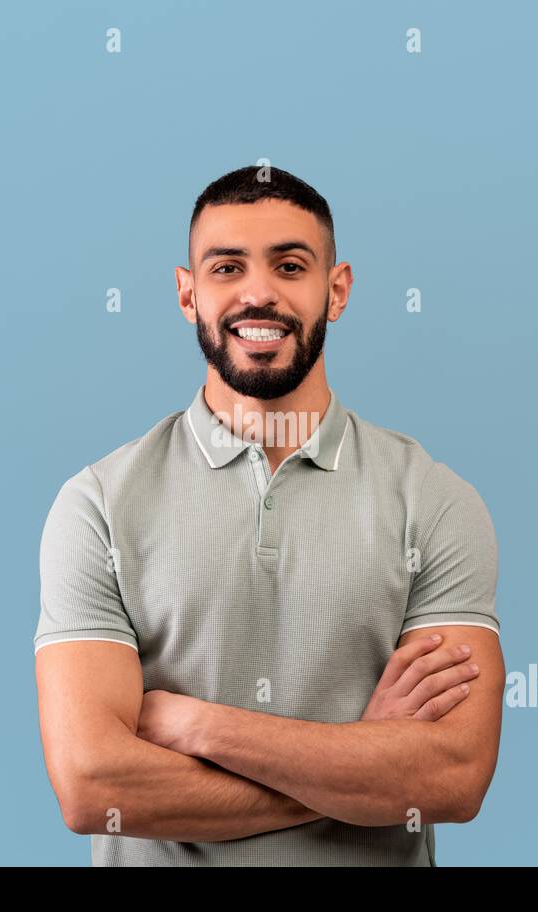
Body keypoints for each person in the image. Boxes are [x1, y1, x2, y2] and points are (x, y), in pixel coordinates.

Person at [33, 165, 505, 865]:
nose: (259, 293)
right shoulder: (98, 505)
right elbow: (93, 786)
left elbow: (453, 777)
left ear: (335, 290)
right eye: (227, 268)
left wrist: (198, 726)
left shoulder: (432, 500)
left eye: (290, 265)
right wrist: (361, 759)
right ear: (188, 294)